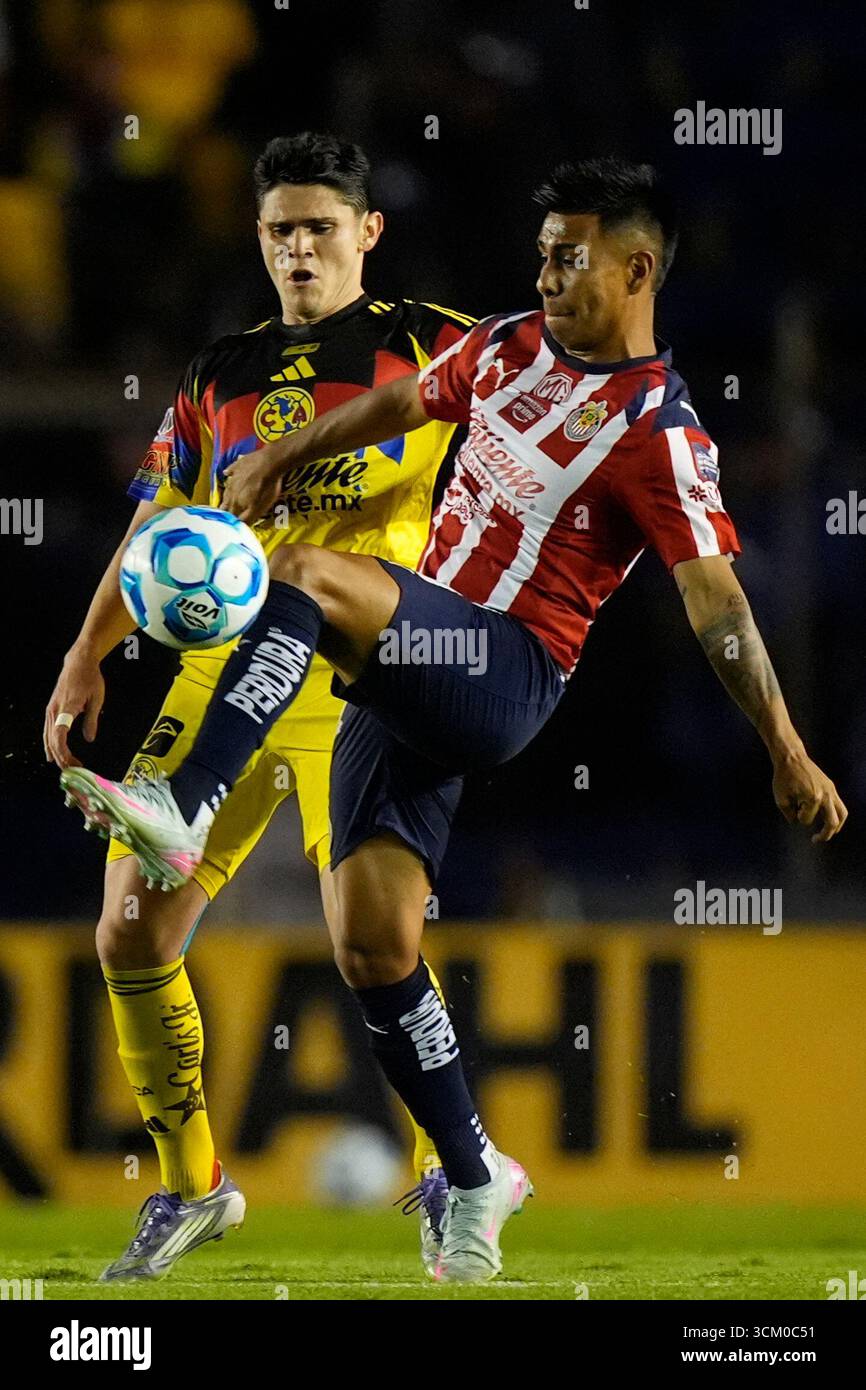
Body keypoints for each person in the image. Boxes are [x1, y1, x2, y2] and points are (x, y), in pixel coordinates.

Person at [61, 156, 847, 1284]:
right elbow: (401, 401)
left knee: (312, 577)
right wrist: (283, 448)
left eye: (567, 257)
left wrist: (782, 745)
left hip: (503, 669)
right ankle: (475, 1170)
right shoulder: (502, 345)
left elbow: (713, 597)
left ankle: (179, 807)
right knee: (371, 946)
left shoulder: (657, 431)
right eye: (539, 254)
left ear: (634, 268)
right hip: (404, 669)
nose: (545, 274)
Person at [46, 130, 477, 1281]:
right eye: (280, 228)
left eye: (320, 228)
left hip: (355, 675)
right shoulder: (215, 375)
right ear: (259, 236)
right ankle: (194, 1186)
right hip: (217, 672)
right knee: (130, 931)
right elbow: (155, 524)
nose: (298, 247)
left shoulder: (429, 345)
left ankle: (453, 1170)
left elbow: (535, 415)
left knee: (374, 944)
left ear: (366, 234)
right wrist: (87, 654)